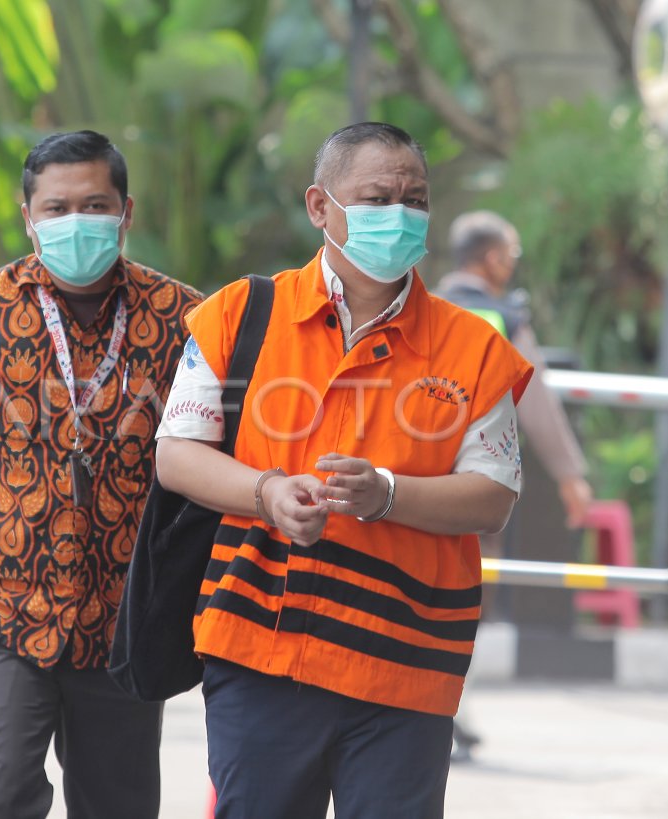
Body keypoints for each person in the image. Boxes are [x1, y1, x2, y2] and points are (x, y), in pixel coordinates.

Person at [154, 122, 534, 818]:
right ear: (319, 206)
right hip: (261, 652)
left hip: (409, 666)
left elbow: (493, 496)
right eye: (377, 198)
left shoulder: (474, 348)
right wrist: (268, 493)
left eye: (415, 199)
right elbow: (177, 452)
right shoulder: (239, 313)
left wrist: (386, 494)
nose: (400, 215)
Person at [0, 129, 202, 819]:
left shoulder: (183, 317)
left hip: (122, 616)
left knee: (118, 806)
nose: (76, 222)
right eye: (57, 208)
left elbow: (210, 465)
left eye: (95, 205)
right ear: (28, 216)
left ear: (126, 212)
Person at [435, 209, 596, 761]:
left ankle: (432, 701)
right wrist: (571, 475)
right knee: (470, 592)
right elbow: (536, 400)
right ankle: (452, 704)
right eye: (513, 254)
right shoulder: (503, 316)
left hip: (414, 479)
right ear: (493, 259)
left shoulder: (422, 305)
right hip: (478, 484)